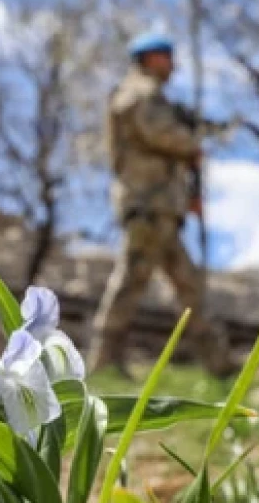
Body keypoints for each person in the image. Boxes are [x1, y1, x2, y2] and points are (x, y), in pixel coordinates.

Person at [87, 30, 237, 379]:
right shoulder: (138, 92)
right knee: (132, 280)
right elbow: (158, 132)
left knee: (188, 284)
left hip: (164, 207)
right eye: (166, 57)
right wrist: (191, 140)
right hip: (148, 205)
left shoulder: (153, 97)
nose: (172, 65)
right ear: (152, 58)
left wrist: (189, 193)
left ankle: (219, 364)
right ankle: (103, 361)